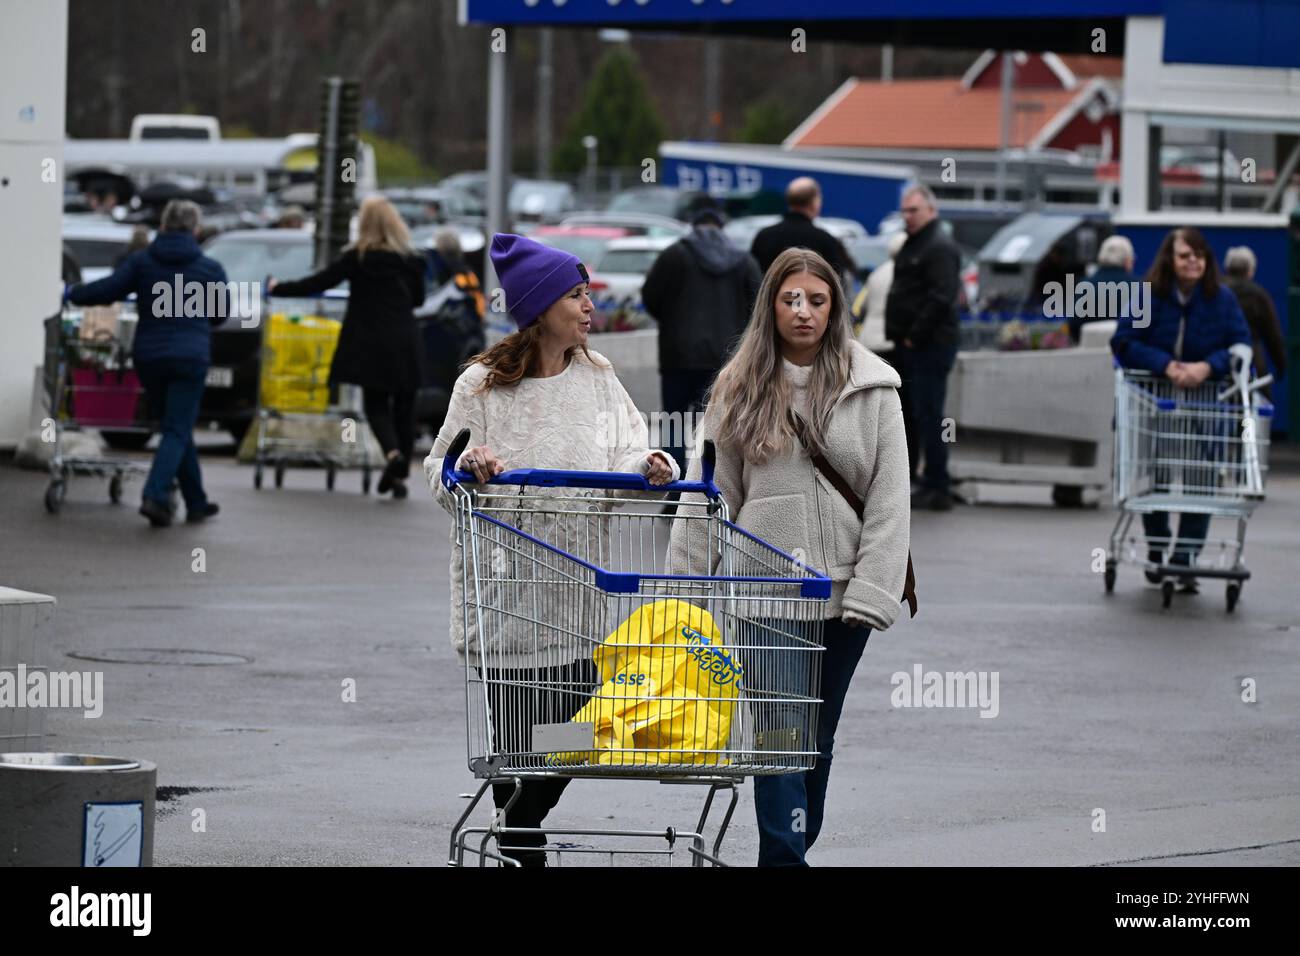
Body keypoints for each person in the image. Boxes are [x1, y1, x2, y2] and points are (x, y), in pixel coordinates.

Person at [424, 233, 677, 867]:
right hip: (508, 597)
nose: (590, 305)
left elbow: (628, 447)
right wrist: (467, 461)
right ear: (540, 307)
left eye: (589, 292)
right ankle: (521, 846)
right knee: (516, 746)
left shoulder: (598, 376)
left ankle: (513, 830)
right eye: (575, 294)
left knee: (571, 738)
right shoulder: (479, 387)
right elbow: (439, 470)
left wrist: (649, 464)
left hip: (577, 596)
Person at [668, 247, 910, 867]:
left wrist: (872, 590)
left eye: (817, 300)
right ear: (770, 306)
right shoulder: (738, 387)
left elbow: (890, 500)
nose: (803, 312)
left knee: (816, 745)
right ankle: (783, 859)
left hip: (844, 596)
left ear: (834, 308)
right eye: (790, 299)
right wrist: (684, 588)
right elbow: (712, 496)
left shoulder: (875, 387)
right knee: (781, 740)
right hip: (763, 592)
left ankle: (792, 844)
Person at [65, 199, 226, 527]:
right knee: (177, 428)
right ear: (195, 230)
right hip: (190, 356)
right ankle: (155, 494)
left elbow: (108, 290)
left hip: (150, 358)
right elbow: (219, 315)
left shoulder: (143, 262)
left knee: (174, 427)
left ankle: (197, 501)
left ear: (163, 226)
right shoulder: (210, 269)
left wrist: (71, 293)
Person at [1111, 227, 1251, 591]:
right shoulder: (1148, 296)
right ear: (1169, 261)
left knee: (1199, 482)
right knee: (1152, 481)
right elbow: (1124, 342)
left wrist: (1208, 366)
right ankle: (1158, 549)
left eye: (1199, 255)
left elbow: (1240, 346)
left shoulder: (1222, 299)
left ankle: (1185, 558)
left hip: (1204, 403)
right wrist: (1166, 365)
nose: (1194, 262)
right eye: (1185, 255)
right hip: (1153, 401)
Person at [268, 195, 426, 499]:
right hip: (404, 340)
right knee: (405, 408)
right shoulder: (413, 261)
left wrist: (280, 288)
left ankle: (393, 457)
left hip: (368, 341)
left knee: (376, 404)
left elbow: (319, 282)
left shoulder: (358, 258)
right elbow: (417, 301)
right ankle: (397, 475)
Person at [641, 200, 761, 475]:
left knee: (672, 425)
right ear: (721, 227)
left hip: (677, 356)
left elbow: (651, 297)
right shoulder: (742, 260)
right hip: (724, 358)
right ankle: (707, 491)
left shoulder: (674, 255)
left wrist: (672, 321)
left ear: (693, 226)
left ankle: (671, 489)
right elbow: (758, 305)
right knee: (712, 428)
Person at [885, 184, 962, 511]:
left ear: (931, 210)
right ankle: (921, 478)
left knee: (930, 414)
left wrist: (914, 334)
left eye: (913, 210)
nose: (908, 216)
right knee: (914, 414)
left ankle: (937, 483)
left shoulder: (938, 246)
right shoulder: (916, 243)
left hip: (929, 345)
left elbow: (942, 296)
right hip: (911, 344)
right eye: (904, 211)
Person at [750, 177, 854, 285]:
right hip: (809, 300)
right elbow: (838, 282)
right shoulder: (825, 240)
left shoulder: (763, 236)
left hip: (769, 300)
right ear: (814, 202)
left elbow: (752, 278)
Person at [1223, 245, 1287, 394]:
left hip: (1219, 368)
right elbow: (1273, 335)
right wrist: (1281, 365)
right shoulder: (1259, 295)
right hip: (1252, 366)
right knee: (1255, 412)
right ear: (1250, 270)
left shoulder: (1217, 291)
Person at [1070, 235, 1136, 343]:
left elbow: (1074, 324)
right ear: (1127, 261)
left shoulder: (1085, 286)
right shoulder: (1139, 287)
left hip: (1090, 351)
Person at [854, 230, 907, 354]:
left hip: (868, 338)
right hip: (893, 340)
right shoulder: (909, 272)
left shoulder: (877, 273)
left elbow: (862, 307)